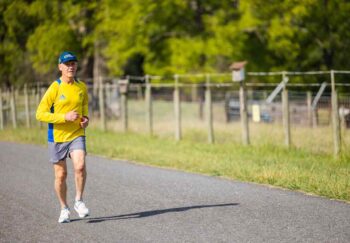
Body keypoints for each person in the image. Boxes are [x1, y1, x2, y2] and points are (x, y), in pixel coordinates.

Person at [36, 51, 90, 223]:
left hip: (76, 134)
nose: (71, 67)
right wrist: (63, 117)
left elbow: (85, 107)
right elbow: (40, 114)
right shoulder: (55, 87)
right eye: (67, 64)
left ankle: (79, 201)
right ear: (60, 67)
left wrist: (86, 119)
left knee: (80, 166)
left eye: (73, 63)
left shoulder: (81, 87)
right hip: (57, 136)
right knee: (61, 175)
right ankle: (64, 208)